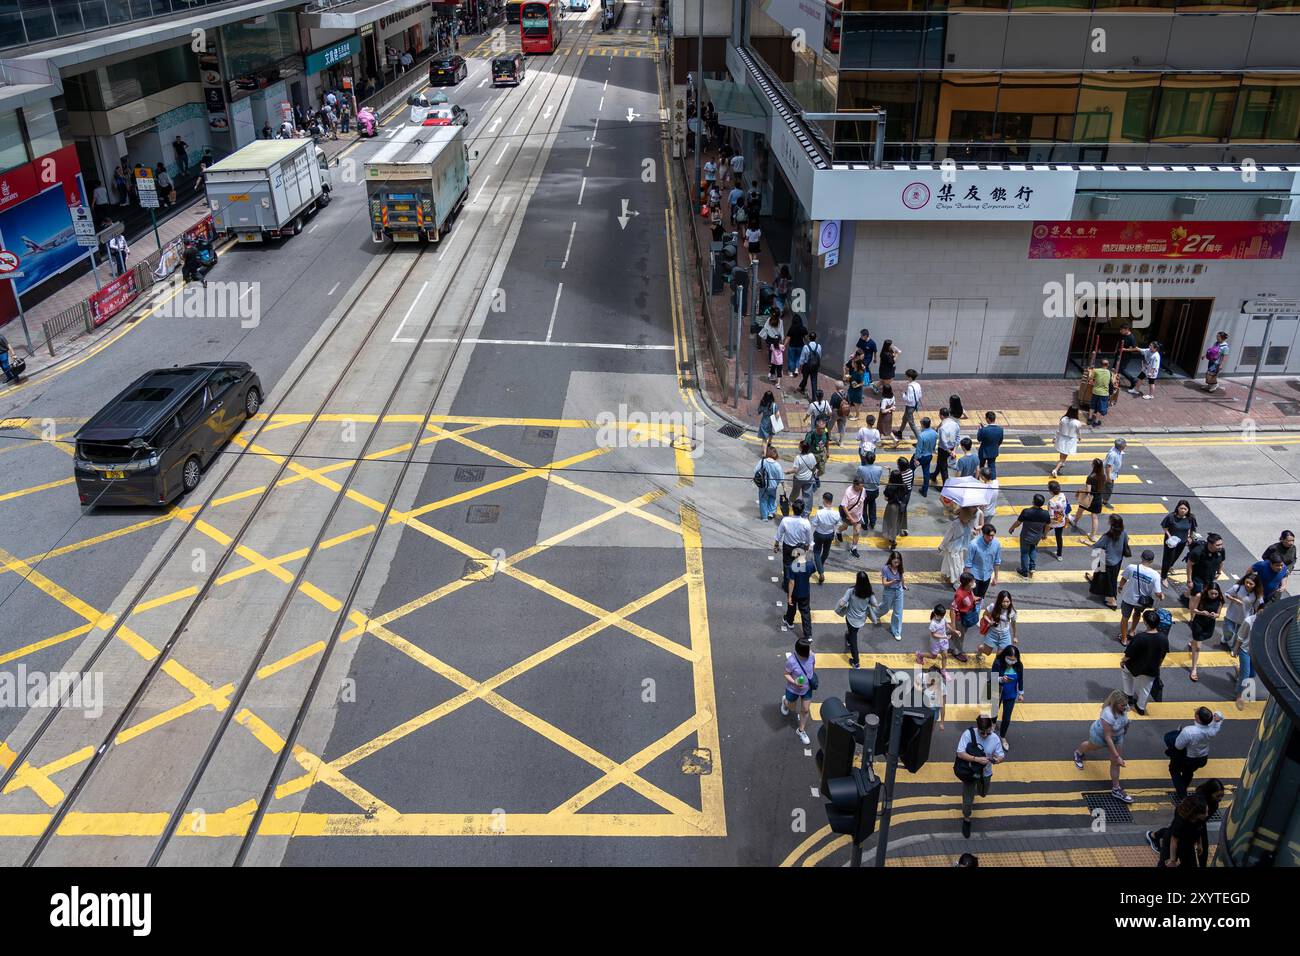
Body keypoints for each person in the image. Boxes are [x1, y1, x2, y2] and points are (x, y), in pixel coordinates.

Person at [1073, 689, 1133, 803]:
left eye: (1126, 704)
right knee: (1091, 746)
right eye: (1123, 705)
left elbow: (1125, 721)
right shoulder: (1108, 714)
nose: (1126, 707)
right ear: (1115, 704)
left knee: (1115, 763)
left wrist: (1125, 729)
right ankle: (1078, 752)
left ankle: (1116, 788)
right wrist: (1117, 756)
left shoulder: (1124, 708)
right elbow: (1108, 737)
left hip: (1118, 736)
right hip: (1100, 736)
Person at [956, 715, 1005, 838]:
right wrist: (976, 759)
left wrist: (996, 760)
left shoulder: (995, 739)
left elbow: (1001, 756)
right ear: (977, 727)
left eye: (987, 733)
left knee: (983, 793)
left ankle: (978, 790)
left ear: (991, 728)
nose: (984, 735)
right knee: (968, 798)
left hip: (985, 773)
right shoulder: (968, 734)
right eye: (981, 732)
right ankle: (966, 818)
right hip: (970, 771)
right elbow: (960, 753)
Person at [1169, 706, 1224, 798]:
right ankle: (1183, 787)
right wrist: (1217, 717)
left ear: (1197, 718)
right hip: (1202, 758)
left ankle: (1182, 795)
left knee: (1174, 769)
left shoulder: (1188, 731)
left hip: (1189, 758)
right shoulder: (1212, 730)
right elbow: (1220, 717)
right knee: (1189, 772)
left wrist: (1179, 733)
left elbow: (1178, 746)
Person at [1121, 609, 1168, 715]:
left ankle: (1129, 695)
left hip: (1136, 666)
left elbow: (1129, 654)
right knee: (1146, 687)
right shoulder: (1163, 638)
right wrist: (1158, 666)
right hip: (1151, 668)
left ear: (1145, 622)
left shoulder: (1140, 637)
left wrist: (1122, 662)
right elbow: (1162, 656)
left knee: (1125, 672)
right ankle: (1141, 707)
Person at [1117, 549, 1163, 646]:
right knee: (1137, 613)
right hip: (1142, 601)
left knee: (1125, 618)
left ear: (1141, 558)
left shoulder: (1131, 567)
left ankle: (1124, 639)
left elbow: (1124, 578)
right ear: (1152, 561)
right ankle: (1132, 631)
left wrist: (1120, 587)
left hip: (1128, 599)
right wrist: (1161, 596)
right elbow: (1158, 592)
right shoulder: (1155, 575)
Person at [837, 570, 881, 669]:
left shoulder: (851, 591)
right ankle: (848, 637)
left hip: (850, 618)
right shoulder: (869, 593)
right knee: (853, 632)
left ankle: (856, 662)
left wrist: (841, 602)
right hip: (861, 619)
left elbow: (842, 603)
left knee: (854, 640)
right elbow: (875, 604)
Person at [1156, 794, 1210, 868]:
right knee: (1165, 865)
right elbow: (1174, 840)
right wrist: (1172, 860)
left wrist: (1199, 844)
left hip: (1188, 844)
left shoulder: (1201, 819)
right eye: (1204, 813)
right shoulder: (1181, 822)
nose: (1207, 815)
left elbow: (1199, 829)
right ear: (1195, 813)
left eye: (1207, 811)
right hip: (1172, 844)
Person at [1087, 514, 1128, 610]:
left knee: (1110, 581)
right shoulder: (1124, 532)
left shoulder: (1107, 536)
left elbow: (1096, 546)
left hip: (1107, 561)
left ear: (1112, 524)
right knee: (1103, 572)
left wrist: (1084, 542)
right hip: (1117, 559)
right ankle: (1095, 579)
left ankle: (1112, 601)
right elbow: (1125, 542)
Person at [781, 636, 817, 745]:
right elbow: (786, 674)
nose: (809, 653)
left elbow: (813, 667)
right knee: (791, 707)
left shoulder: (811, 656)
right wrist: (794, 682)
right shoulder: (791, 661)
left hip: (807, 689)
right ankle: (784, 702)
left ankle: (801, 730)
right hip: (793, 689)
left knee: (805, 709)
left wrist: (810, 678)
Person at [1187, 582, 1224, 682]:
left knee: (1202, 638)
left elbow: (1218, 614)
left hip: (1209, 624)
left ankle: (1193, 642)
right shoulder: (1200, 596)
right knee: (1198, 647)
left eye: (1216, 594)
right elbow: (1192, 610)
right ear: (1207, 591)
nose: (1214, 596)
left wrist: (1214, 615)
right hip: (1198, 622)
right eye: (1212, 593)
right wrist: (1201, 612)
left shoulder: (1220, 600)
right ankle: (1194, 669)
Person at [773, 497, 812, 588]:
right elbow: (808, 539)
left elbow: (779, 534)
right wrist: (806, 547)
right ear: (802, 510)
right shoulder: (806, 523)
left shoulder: (785, 520)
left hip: (787, 547)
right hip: (800, 548)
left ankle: (787, 585)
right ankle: (797, 585)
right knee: (798, 567)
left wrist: (776, 544)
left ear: (792, 509)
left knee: (787, 566)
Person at [1009, 493, 1051, 579]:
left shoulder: (1026, 512)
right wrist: (1045, 534)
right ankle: (1032, 567)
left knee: (1024, 553)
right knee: (1033, 549)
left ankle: (1024, 572)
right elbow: (1048, 525)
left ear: (1033, 502)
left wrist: (1012, 528)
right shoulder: (1046, 514)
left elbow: (1018, 522)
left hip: (1026, 536)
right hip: (1037, 537)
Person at [991, 645, 1024, 749]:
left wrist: (1021, 693)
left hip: (1010, 693)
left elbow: (1021, 679)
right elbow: (992, 678)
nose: (1011, 661)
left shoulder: (1019, 666)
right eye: (1009, 659)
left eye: (1014, 660)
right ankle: (992, 725)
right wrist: (1001, 679)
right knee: (994, 710)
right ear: (1005, 656)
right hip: (997, 690)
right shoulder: (997, 663)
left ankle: (1002, 736)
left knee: (1007, 717)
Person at [1159, 500, 1198, 587]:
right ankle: (1163, 576)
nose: (1183, 510)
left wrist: (1189, 536)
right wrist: (1169, 536)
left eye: (1185, 508)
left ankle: (1170, 566)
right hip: (1171, 542)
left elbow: (1191, 528)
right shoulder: (1171, 517)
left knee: (1176, 556)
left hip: (1182, 541)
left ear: (1188, 509)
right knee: (1167, 558)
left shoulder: (1191, 518)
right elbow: (1165, 527)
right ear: (1177, 508)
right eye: (1181, 508)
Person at [1223, 569, 1262, 653]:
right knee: (1228, 632)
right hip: (1231, 615)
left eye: (1251, 584)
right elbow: (1226, 594)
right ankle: (1226, 638)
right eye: (1246, 582)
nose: (1248, 585)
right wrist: (1234, 599)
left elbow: (1256, 607)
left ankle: (1233, 648)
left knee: (1238, 635)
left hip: (1244, 617)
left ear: (1255, 585)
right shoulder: (1237, 588)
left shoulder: (1257, 595)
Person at [939, 507, 977, 588]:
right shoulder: (955, 524)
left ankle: (951, 578)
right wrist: (942, 546)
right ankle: (957, 583)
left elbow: (970, 533)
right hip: (954, 549)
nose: (969, 520)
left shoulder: (969, 523)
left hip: (963, 548)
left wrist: (973, 533)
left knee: (958, 565)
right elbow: (948, 536)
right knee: (957, 566)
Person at [977, 590, 1018, 663]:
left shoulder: (1012, 611)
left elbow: (1013, 624)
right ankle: (980, 650)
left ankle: (996, 668)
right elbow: (985, 615)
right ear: (999, 601)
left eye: (1007, 601)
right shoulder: (993, 606)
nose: (1005, 604)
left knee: (1000, 655)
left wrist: (1015, 636)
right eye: (1003, 602)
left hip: (1005, 635)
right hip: (993, 633)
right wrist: (990, 622)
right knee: (987, 652)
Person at [965, 523, 1002, 604]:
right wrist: (967, 580)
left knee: (981, 597)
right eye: (989, 535)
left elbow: (997, 561)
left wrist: (996, 577)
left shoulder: (997, 544)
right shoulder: (974, 544)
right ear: (983, 534)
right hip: (974, 576)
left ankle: (977, 612)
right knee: (971, 597)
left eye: (993, 535)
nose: (991, 538)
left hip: (987, 576)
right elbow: (968, 563)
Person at [784, 548, 815, 640]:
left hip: (795, 593)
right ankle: (808, 635)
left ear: (797, 555)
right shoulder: (810, 565)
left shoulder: (793, 567)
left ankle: (789, 622)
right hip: (805, 592)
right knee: (805, 613)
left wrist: (789, 596)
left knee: (791, 608)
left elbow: (792, 583)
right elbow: (812, 571)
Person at [949, 571, 979, 664]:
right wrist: (953, 625)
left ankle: (952, 636)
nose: (974, 582)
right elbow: (952, 609)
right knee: (960, 636)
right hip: (960, 619)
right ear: (967, 583)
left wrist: (975, 599)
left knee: (961, 633)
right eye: (972, 581)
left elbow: (971, 597)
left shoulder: (969, 589)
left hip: (966, 616)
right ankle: (957, 652)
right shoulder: (960, 594)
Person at [1185, 533, 1227, 599]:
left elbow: (1221, 562)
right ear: (1210, 544)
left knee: (1205, 590)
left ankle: (1187, 595)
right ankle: (1192, 604)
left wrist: (1219, 572)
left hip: (1210, 575)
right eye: (1218, 545)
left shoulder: (1221, 551)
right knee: (1197, 593)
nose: (1220, 547)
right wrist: (1189, 581)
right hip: (1197, 576)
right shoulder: (1198, 551)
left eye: (1221, 544)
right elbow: (1189, 565)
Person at [809, 490, 839, 583]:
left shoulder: (819, 512)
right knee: (826, 551)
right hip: (829, 534)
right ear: (831, 501)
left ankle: (821, 572)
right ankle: (820, 565)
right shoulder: (836, 513)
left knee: (817, 552)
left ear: (824, 500)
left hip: (819, 534)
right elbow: (838, 523)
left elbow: (814, 524)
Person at [917, 603, 955, 674]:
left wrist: (954, 630)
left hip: (943, 641)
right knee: (934, 656)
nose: (942, 617)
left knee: (945, 655)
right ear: (936, 614)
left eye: (943, 616)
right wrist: (945, 636)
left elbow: (946, 624)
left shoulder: (942, 618)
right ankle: (920, 655)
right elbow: (934, 635)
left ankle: (943, 670)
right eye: (941, 616)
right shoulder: (933, 623)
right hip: (936, 642)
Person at [1231, 611, 1257, 710]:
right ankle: (1239, 696)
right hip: (1245, 651)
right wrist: (1236, 648)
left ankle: (1239, 673)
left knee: (1252, 674)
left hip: (1256, 654)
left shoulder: (1267, 621)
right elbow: (1241, 636)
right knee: (1245, 676)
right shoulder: (1249, 621)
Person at [836, 477, 866, 559]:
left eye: (862, 486)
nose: (861, 488)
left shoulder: (863, 490)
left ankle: (854, 548)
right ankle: (838, 531)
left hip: (858, 515)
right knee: (845, 527)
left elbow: (863, 501)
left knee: (857, 532)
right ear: (855, 485)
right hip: (848, 515)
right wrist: (851, 518)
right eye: (860, 487)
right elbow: (844, 506)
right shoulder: (848, 492)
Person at [1078, 457, 1107, 541]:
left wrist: (1080, 491)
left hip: (1089, 498)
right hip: (1098, 498)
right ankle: (1093, 536)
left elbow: (1088, 491)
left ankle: (1075, 521)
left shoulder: (1090, 477)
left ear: (1094, 466)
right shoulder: (1103, 476)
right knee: (1094, 517)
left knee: (1080, 509)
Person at [881, 550, 907, 641]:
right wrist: (892, 582)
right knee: (885, 608)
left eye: (898, 562)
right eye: (895, 562)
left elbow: (902, 577)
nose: (897, 564)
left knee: (898, 612)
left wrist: (903, 585)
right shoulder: (885, 569)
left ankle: (896, 631)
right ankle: (874, 613)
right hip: (889, 591)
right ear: (891, 560)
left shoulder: (900, 568)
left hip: (899, 591)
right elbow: (884, 583)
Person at [787, 441, 818, 515]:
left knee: (795, 492)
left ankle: (791, 503)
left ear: (801, 448)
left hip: (798, 479)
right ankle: (806, 513)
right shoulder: (811, 455)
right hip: (808, 479)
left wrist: (787, 472)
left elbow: (795, 470)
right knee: (807, 496)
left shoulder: (798, 458)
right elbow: (814, 467)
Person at [1050, 405, 1082, 478]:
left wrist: (1054, 437)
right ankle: (1055, 470)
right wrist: (1080, 437)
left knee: (1062, 453)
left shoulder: (1063, 419)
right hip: (1070, 440)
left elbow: (1059, 429)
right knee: (1064, 456)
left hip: (1061, 438)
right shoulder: (1077, 423)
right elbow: (1078, 432)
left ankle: (1062, 463)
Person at [856, 450, 883, 532]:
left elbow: (858, 476)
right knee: (872, 504)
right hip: (874, 491)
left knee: (863, 507)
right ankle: (873, 522)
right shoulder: (879, 469)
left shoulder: (861, 468)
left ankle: (864, 524)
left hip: (864, 491)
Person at [754, 445, 783, 521]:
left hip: (763, 485)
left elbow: (755, 471)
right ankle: (771, 512)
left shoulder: (762, 462)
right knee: (772, 498)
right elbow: (781, 477)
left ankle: (764, 516)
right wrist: (782, 486)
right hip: (773, 486)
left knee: (763, 499)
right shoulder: (777, 465)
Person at [935, 407, 961, 489]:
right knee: (940, 462)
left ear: (942, 416)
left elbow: (944, 442)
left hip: (944, 449)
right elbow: (958, 437)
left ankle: (945, 487)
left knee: (943, 466)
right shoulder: (955, 424)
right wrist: (954, 450)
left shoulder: (942, 428)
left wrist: (950, 452)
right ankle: (934, 475)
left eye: (939, 414)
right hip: (952, 447)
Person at [880, 469, 906, 550]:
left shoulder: (890, 487)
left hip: (892, 507)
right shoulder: (903, 485)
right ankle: (893, 537)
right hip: (900, 506)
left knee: (891, 524)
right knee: (897, 522)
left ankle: (893, 540)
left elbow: (886, 498)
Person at [895, 369, 922, 442]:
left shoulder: (910, 387)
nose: (906, 377)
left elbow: (909, 399)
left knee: (911, 423)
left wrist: (904, 395)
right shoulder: (917, 384)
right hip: (915, 405)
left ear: (910, 377)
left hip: (910, 406)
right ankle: (899, 432)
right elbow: (920, 395)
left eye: (907, 376)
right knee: (904, 419)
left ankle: (920, 439)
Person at [1085, 358, 1114, 428]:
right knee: (1100, 408)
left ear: (1100, 364)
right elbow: (1112, 382)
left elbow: (1089, 379)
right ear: (1108, 365)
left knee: (1092, 405)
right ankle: (1096, 422)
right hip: (1104, 393)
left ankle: (1089, 419)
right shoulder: (1109, 373)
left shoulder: (1096, 370)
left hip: (1095, 391)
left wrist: (1094, 378)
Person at [975, 411, 1004, 479]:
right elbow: (1000, 441)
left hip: (983, 451)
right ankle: (993, 480)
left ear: (988, 419)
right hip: (993, 451)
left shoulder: (984, 430)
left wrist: (980, 429)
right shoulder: (1000, 430)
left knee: (981, 466)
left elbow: (979, 439)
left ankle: (979, 479)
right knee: (992, 466)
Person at [913, 416, 937, 497]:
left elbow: (918, 449)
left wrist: (915, 459)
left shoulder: (921, 435)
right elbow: (934, 445)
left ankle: (907, 486)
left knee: (910, 469)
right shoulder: (934, 433)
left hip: (921, 457)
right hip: (929, 455)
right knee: (926, 473)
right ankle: (924, 490)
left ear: (923, 424)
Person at [1046, 479, 1069, 561]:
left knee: (1042, 532)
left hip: (1053, 522)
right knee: (1059, 538)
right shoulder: (1063, 495)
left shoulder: (1051, 501)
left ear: (1051, 491)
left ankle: (1034, 545)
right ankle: (1059, 555)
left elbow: (1050, 515)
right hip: (1061, 520)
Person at [1101, 438, 1126, 509]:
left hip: (1112, 474)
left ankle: (1101, 500)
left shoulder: (1117, 450)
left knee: (1104, 488)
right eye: (1124, 445)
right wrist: (1108, 477)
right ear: (1121, 446)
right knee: (1108, 489)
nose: (1126, 446)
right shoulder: (1113, 454)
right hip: (1109, 475)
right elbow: (1108, 466)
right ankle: (1104, 502)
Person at [1114, 322, 1139, 390]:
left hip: (1126, 356)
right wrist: (1116, 350)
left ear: (1126, 329)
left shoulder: (1131, 337)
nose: (1120, 331)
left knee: (1121, 369)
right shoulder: (1121, 335)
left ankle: (1133, 380)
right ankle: (1115, 382)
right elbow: (1118, 342)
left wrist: (1125, 350)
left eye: (1121, 330)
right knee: (1115, 368)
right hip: (1118, 354)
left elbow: (1135, 348)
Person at [829, 379, 850, 447]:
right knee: (842, 427)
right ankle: (841, 442)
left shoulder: (834, 395)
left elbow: (831, 405)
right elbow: (849, 403)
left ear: (836, 387)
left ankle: (829, 436)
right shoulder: (846, 394)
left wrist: (829, 413)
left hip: (836, 412)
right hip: (844, 413)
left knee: (830, 425)